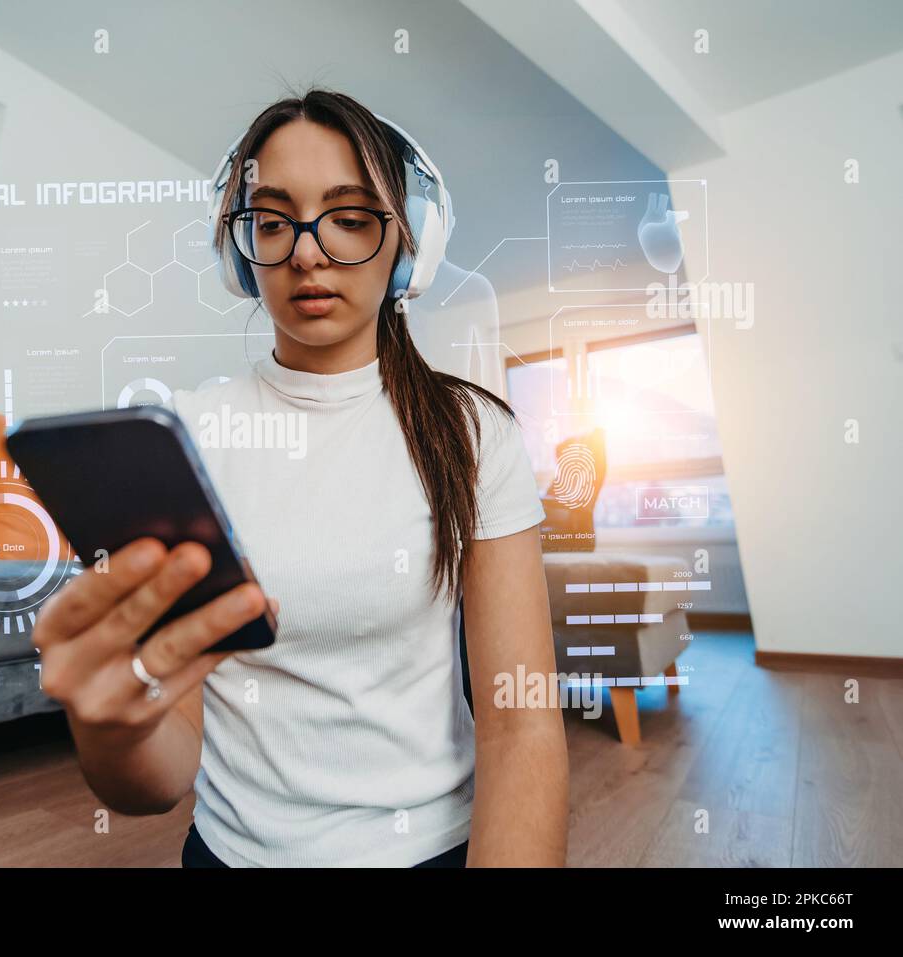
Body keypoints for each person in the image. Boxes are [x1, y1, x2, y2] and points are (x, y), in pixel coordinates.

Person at [33, 88, 568, 867]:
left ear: (407, 243)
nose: (307, 252)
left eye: (349, 217)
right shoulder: (190, 435)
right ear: (240, 252)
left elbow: (521, 723)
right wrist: (114, 724)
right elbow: (159, 772)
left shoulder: (474, 433)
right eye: (274, 222)